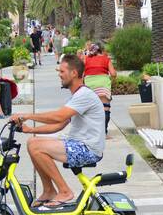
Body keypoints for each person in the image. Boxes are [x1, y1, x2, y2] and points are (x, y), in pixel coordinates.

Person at [11, 53, 104, 207]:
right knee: (32, 142)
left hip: (88, 149)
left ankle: (64, 190)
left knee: (35, 146)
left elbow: (58, 117)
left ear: (74, 73)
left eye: (62, 72)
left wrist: (27, 115)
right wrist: (28, 130)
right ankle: (48, 190)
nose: (59, 75)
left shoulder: (84, 95)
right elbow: (58, 125)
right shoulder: (77, 96)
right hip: (77, 144)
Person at [81, 41, 116, 133]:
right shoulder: (106, 59)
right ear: (102, 50)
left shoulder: (86, 59)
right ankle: (104, 132)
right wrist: (109, 78)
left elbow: (81, 74)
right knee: (105, 108)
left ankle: (93, 131)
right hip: (103, 84)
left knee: (91, 110)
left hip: (90, 85)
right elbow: (113, 74)